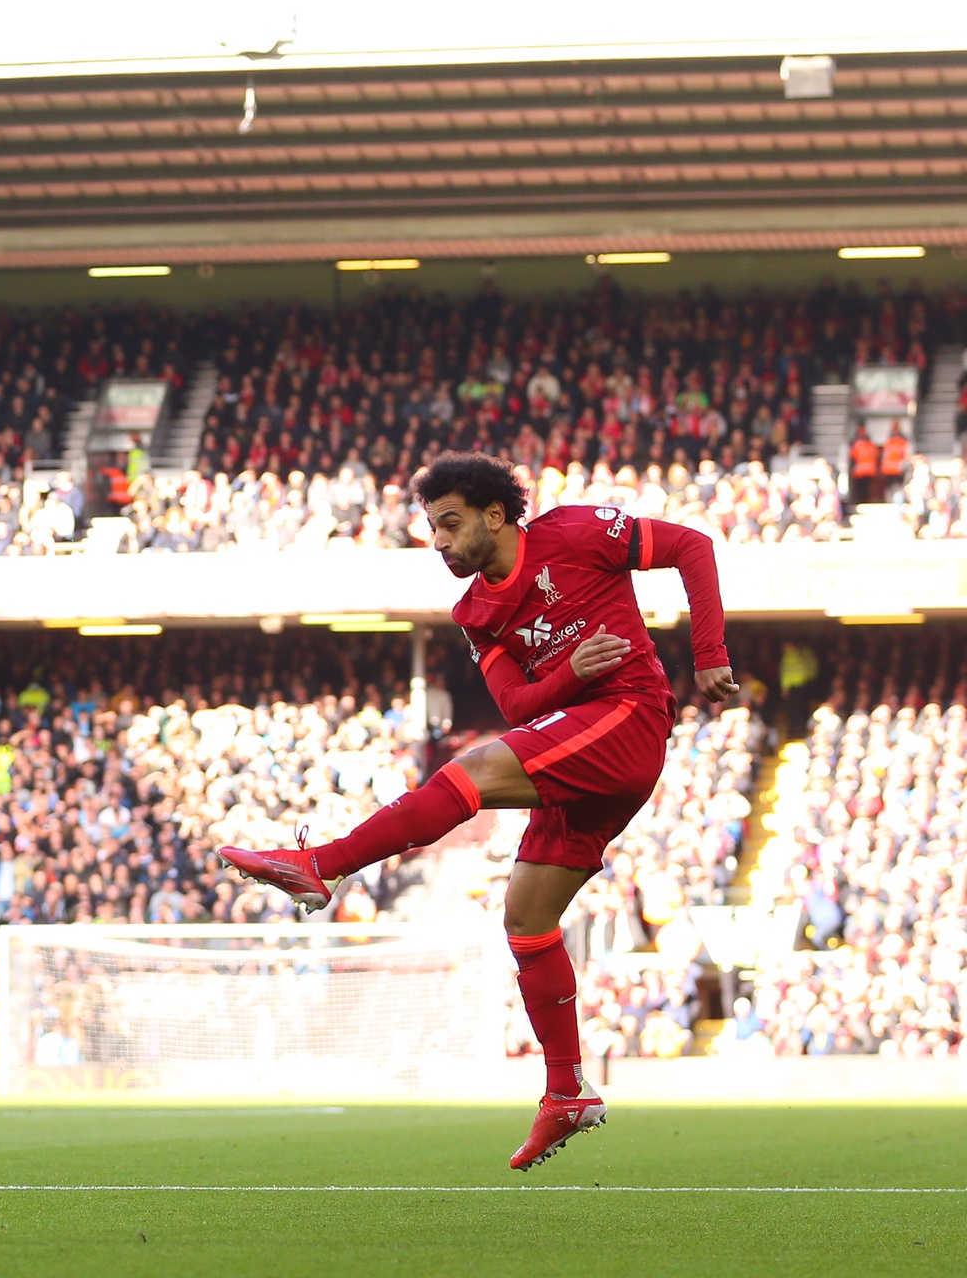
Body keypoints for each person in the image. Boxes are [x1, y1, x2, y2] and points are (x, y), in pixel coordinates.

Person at [219, 452, 735, 1172]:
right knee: (526, 919)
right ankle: (567, 1093)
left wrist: (708, 652)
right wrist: (568, 672)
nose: (439, 541)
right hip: (577, 737)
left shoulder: (579, 533)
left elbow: (692, 546)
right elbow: (519, 705)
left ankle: (323, 865)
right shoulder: (474, 612)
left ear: (496, 515)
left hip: (628, 716)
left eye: (451, 523)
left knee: (474, 770)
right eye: (432, 528)